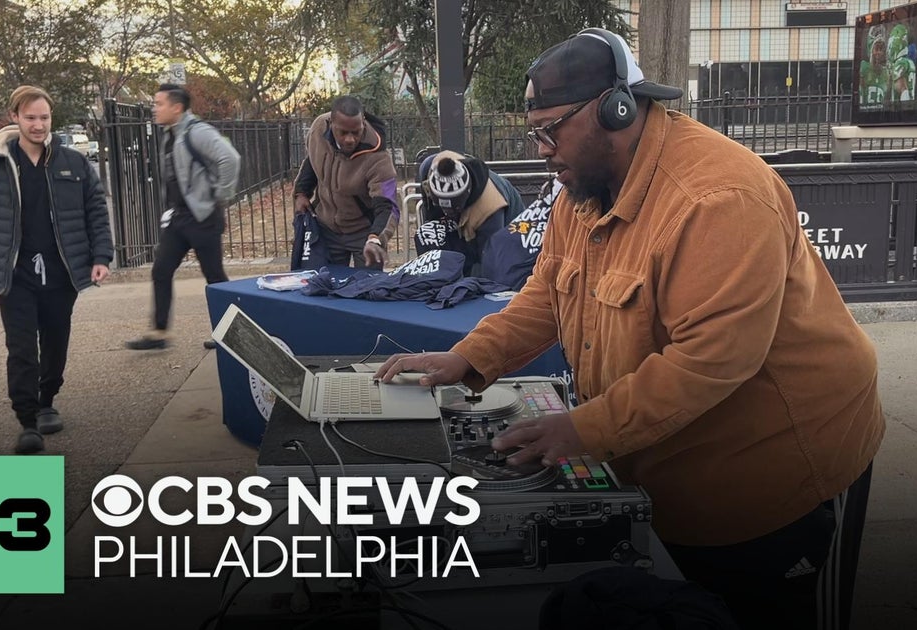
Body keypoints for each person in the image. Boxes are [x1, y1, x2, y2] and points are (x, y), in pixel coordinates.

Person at [376, 28, 885, 630]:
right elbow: (548, 290)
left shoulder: (720, 199)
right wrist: (468, 358)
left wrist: (580, 429)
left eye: (550, 129)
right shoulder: (580, 187)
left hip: (778, 476)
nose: (541, 148)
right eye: (533, 132)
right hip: (671, 467)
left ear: (616, 110)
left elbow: (708, 363)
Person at [0, 85, 113, 455]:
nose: (38, 124)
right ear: (15, 117)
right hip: (13, 273)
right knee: (20, 348)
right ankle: (28, 420)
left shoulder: (72, 162)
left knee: (55, 340)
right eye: (30, 117)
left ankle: (48, 399)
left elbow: (95, 209)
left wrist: (101, 257)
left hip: (61, 270)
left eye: (44, 117)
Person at [126, 84, 241, 350]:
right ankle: (158, 332)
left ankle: (231, 334)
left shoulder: (197, 132)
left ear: (176, 107)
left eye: (159, 104)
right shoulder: (171, 134)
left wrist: (219, 194)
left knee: (214, 277)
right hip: (179, 218)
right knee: (161, 270)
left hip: (202, 217)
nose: (155, 109)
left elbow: (230, 159)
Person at [292, 95, 399, 270]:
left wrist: (376, 238)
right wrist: (301, 193)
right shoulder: (319, 128)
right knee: (316, 287)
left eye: (355, 132)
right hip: (325, 226)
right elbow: (313, 159)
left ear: (363, 123)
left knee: (367, 290)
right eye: (343, 132)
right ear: (331, 123)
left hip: (363, 232)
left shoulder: (379, 158)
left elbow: (388, 206)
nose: (349, 139)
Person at [414, 150, 529, 287]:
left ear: (466, 197)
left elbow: (489, 265)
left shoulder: (490, 210)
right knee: (428, 233)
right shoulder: (429, 168)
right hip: (466, 219)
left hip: (510, 233)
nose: (447, 212)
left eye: (454, 208)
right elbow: (431, 217)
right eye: (442, 206)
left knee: (489, 275)